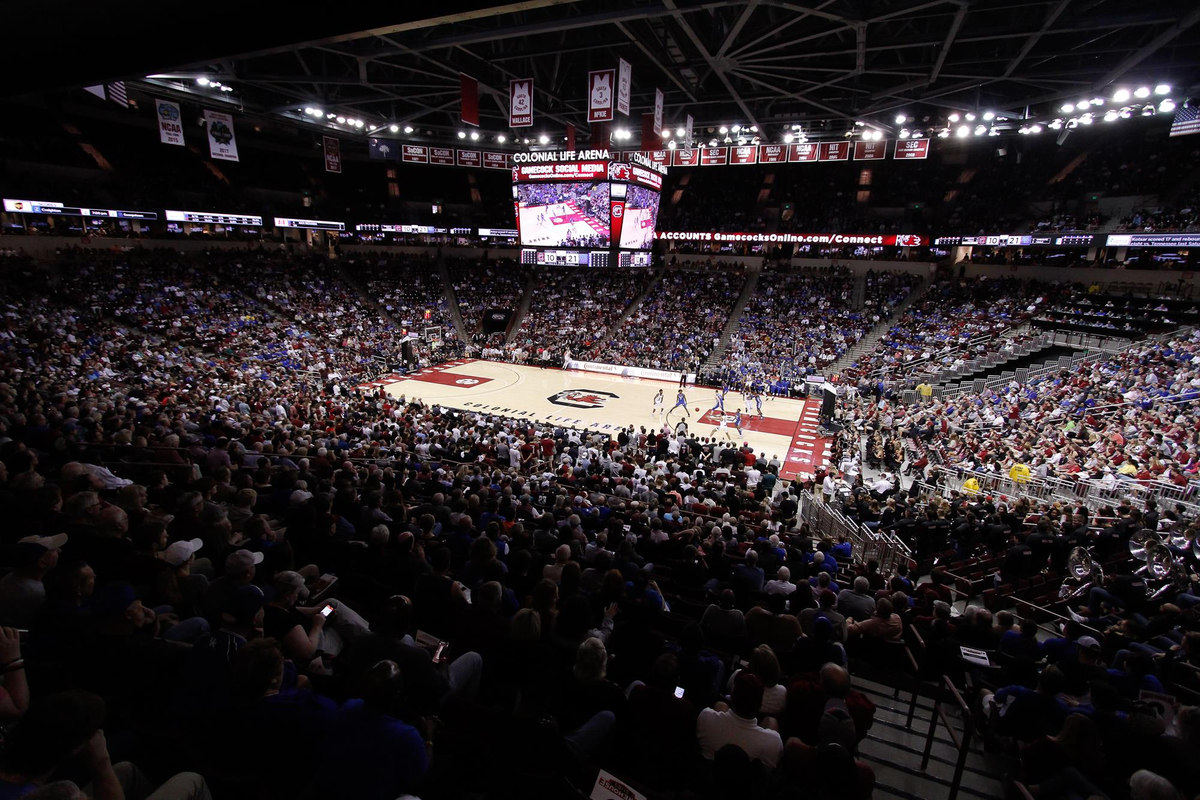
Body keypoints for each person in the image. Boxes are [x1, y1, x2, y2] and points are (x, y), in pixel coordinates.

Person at [0, 690, 210, 800]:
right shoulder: (62, 793)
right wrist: (101, 762)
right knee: (192, 780)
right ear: (75, 747)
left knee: (126, 769)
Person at [315, 659, 430, 800]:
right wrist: (429, 737)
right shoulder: (407, 737)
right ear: (398, 694)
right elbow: (422, 777)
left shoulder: (349, 706)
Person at [696, 672, 783, 770]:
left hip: (708, 781)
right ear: (759, 705)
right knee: (771, 721)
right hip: (749, 784)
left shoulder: (705, 717)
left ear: (732, 697)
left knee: (720, 705)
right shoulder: (774, 743)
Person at [0, 534, 66, 628]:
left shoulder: (10, 577)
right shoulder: (36, 593)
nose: (59, 551)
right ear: (42, 562)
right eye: (53, 550)